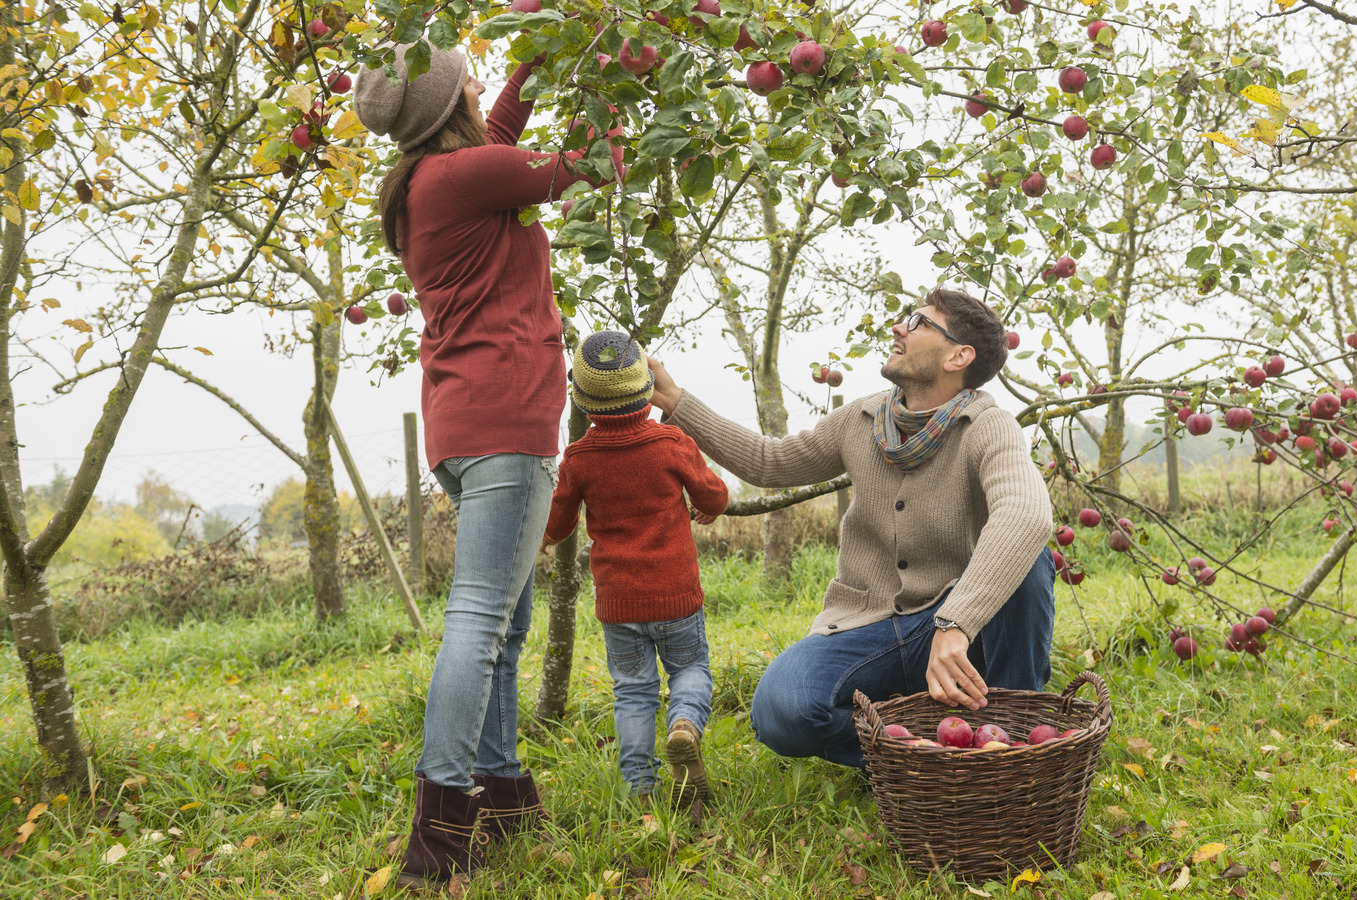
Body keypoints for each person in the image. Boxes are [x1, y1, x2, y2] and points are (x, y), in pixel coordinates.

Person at [353, 43, 624, 888]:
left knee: (503, 626)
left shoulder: (428, 180)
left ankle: (503, 795)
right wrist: (607, 74)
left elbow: (497, 132)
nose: (479, 82)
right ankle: (440, 826)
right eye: (467, 76)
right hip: (507, 418)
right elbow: (585, 165)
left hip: (464, 425)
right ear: (446, 104)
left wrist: (542, 58)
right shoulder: (468, 177)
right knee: (480, 620)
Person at [647, 288, 1056, 768]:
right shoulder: (861, 418)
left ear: (958, 356)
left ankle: (1011, 741)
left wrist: (956, 622)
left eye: (919, 323)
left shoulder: (988, 424)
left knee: (1029, 558)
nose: (898, 328)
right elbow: (769, 461)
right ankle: (919, 753)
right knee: (781, 711)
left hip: (953, 619)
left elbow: (1027, 513)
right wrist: (676, 402)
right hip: (867, 623)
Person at [541, 331, 730, 808]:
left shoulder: (579, 458)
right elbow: (715, 496)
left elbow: (559, 522)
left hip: (618, 602)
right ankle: (685, 723)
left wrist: (543, 539)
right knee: (689, 668)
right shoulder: (671, 442)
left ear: (582, 402)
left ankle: (640, 789)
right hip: (676, 595)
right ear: (647, 388)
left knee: (632, 693)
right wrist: (703, 504)